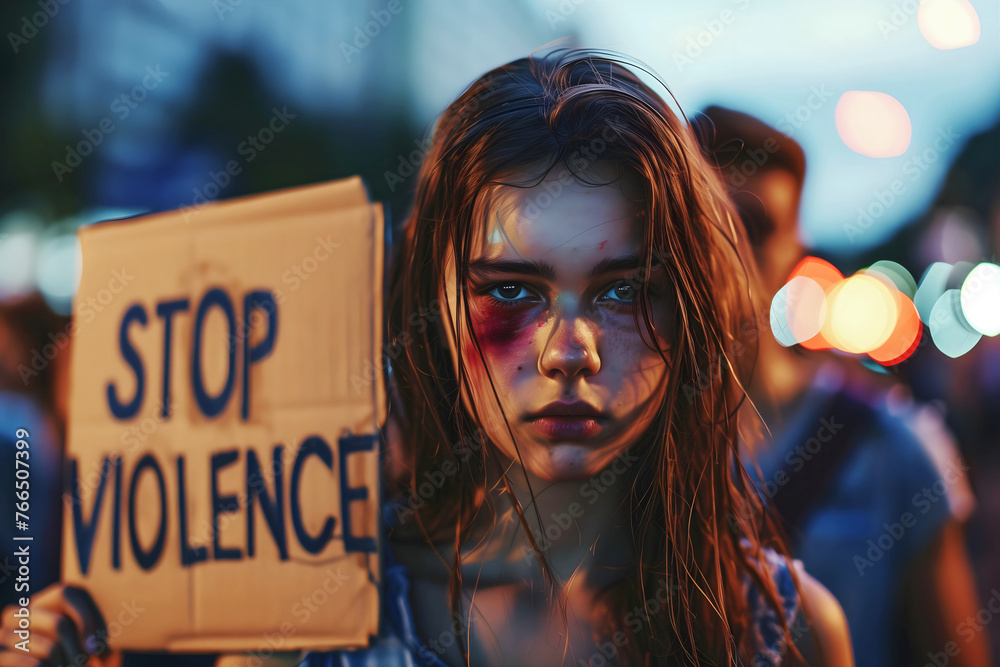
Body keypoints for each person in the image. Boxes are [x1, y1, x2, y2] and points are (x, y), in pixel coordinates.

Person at [0, 50, 853, 667]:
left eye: (624, 290)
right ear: (435, 309)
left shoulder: (785, 630)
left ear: (690, 307)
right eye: (510, 291)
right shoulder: (313, 619)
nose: (569, 350)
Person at [694, 105, 991, 667]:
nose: (725, 251)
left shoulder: (894, 447)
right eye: (706, 220)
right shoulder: (622, 443)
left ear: (793, 251)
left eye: (754, 227)